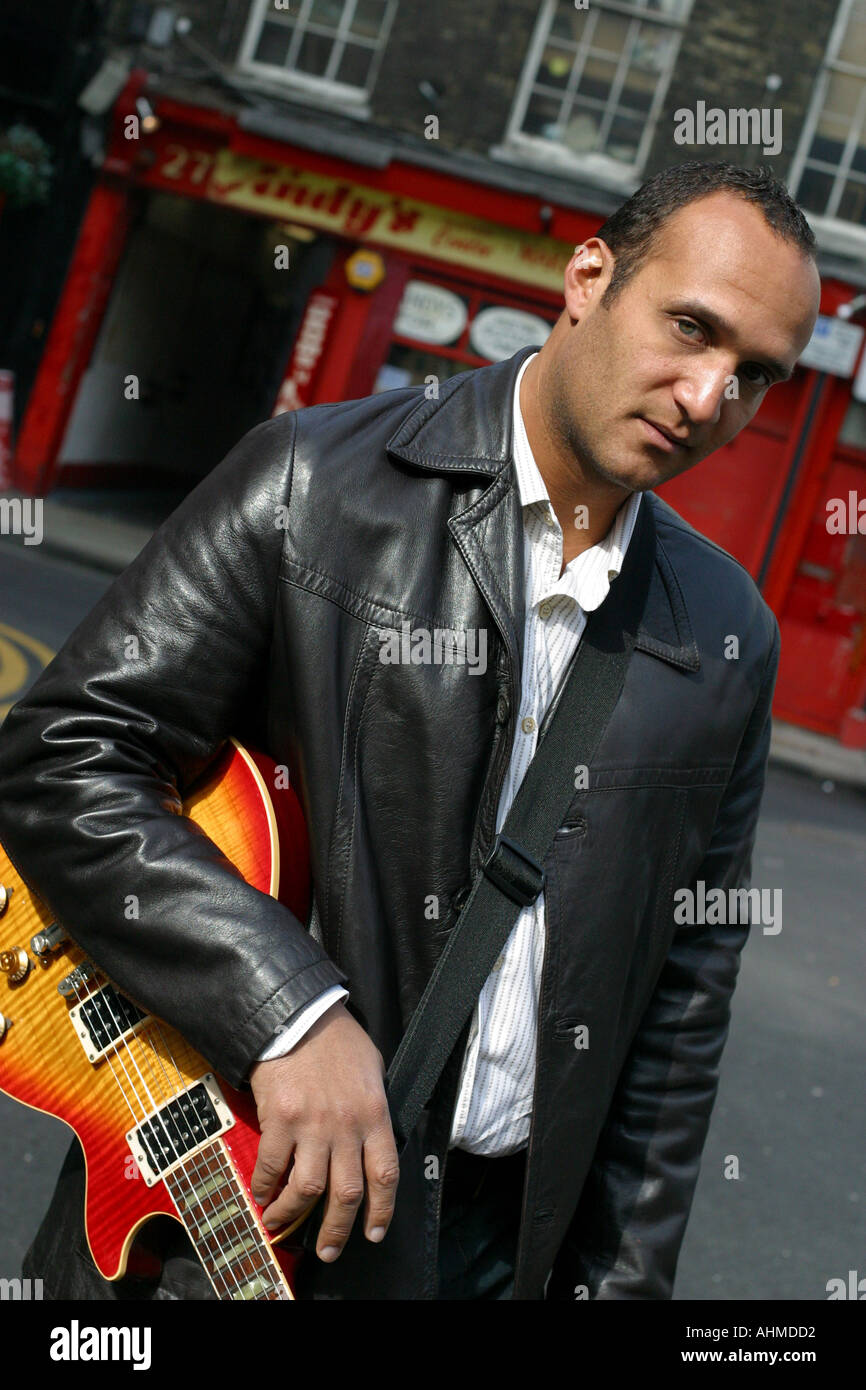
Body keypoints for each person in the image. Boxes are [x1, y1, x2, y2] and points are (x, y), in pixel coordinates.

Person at [0, 160, 820, 1301]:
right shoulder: (311, 483)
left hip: (494, 1253)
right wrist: (287, 1007)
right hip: (235, 1198)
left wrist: (620, 1285)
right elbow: (64, 753)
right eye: (689, 328)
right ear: (587, 277)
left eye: (754, 375)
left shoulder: (725, 628)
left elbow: (681, 994)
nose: (705, 397)